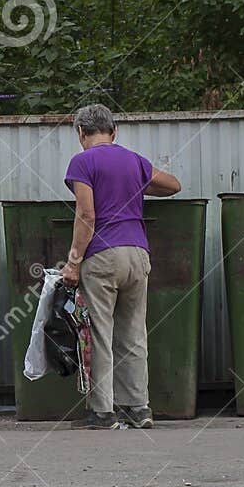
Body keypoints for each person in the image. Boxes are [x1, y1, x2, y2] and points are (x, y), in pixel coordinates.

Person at [60, 104, 182, 429]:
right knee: (133, 333)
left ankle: (102, 412)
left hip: (102, 255)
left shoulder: (82, 162)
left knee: (101, 333)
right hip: (138, 254)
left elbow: (86, 215)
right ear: (114, 132)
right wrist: (140, 184)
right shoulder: (133, 160)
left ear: (81, 133)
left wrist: (73, 263)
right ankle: (138, 408)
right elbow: (173, 186)